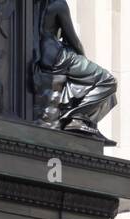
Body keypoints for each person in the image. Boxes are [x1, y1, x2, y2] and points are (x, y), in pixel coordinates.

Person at [31, 0, 116, 142]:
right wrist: (82, 57)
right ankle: (76, 117)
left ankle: (82, 120)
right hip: (57, 56)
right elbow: (72, 38)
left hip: (43, 54)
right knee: (108, 80)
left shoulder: (36, 4)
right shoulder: (58, 4)